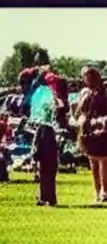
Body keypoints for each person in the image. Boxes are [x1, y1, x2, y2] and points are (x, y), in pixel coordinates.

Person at [24, 64, 70, 207]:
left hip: (46, 129)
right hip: (47, 129)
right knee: (47, 168)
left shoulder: (43, 92)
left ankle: (47, 196)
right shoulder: (46, 92)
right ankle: (47, 196)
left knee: (46, 167)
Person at [74, 67, 107, 204]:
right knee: (94, 163)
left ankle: (104, 191)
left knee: (103, 162)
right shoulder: (88, 93)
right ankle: (99, 191)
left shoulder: (101, 94)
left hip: (102, 130)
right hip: (90, 131)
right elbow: (79, 111)